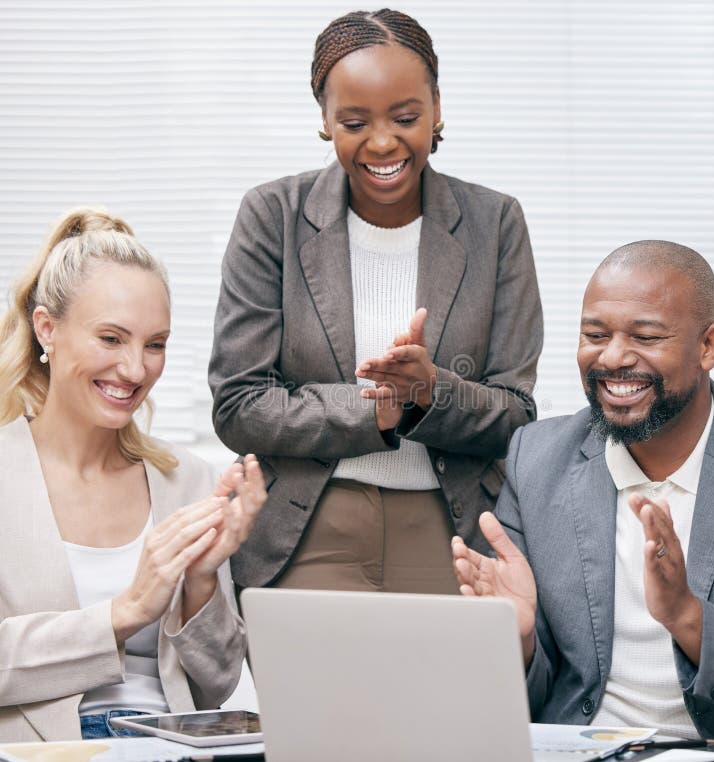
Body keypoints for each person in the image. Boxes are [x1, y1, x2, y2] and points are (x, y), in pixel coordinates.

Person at [209, 9, 542, 593]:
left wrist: (428, 394)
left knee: (453, 688)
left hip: (454, 532)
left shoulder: (496, 224)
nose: (383, 141)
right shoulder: (273, 217)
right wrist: (376, 410)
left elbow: (516, 416)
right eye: (355, 121)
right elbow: (238, 405)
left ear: (437, 107)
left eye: (406, 116)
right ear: (325, 120)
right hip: (308, 528)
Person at [452, 241, 714, 753]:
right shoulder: (538, 456)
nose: (613, 357)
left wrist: (687, 617)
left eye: (645, 336)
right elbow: (521, 700)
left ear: (708, 346)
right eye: (595, 335)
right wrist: (521, 640)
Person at [0, 209, 267, 742]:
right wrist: (123, 614)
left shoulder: (186, 482)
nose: (134, 369)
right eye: (111, 338)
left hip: (167, 746)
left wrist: (201, 581)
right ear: (46, 328)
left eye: (155, 344)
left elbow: (216, 684)